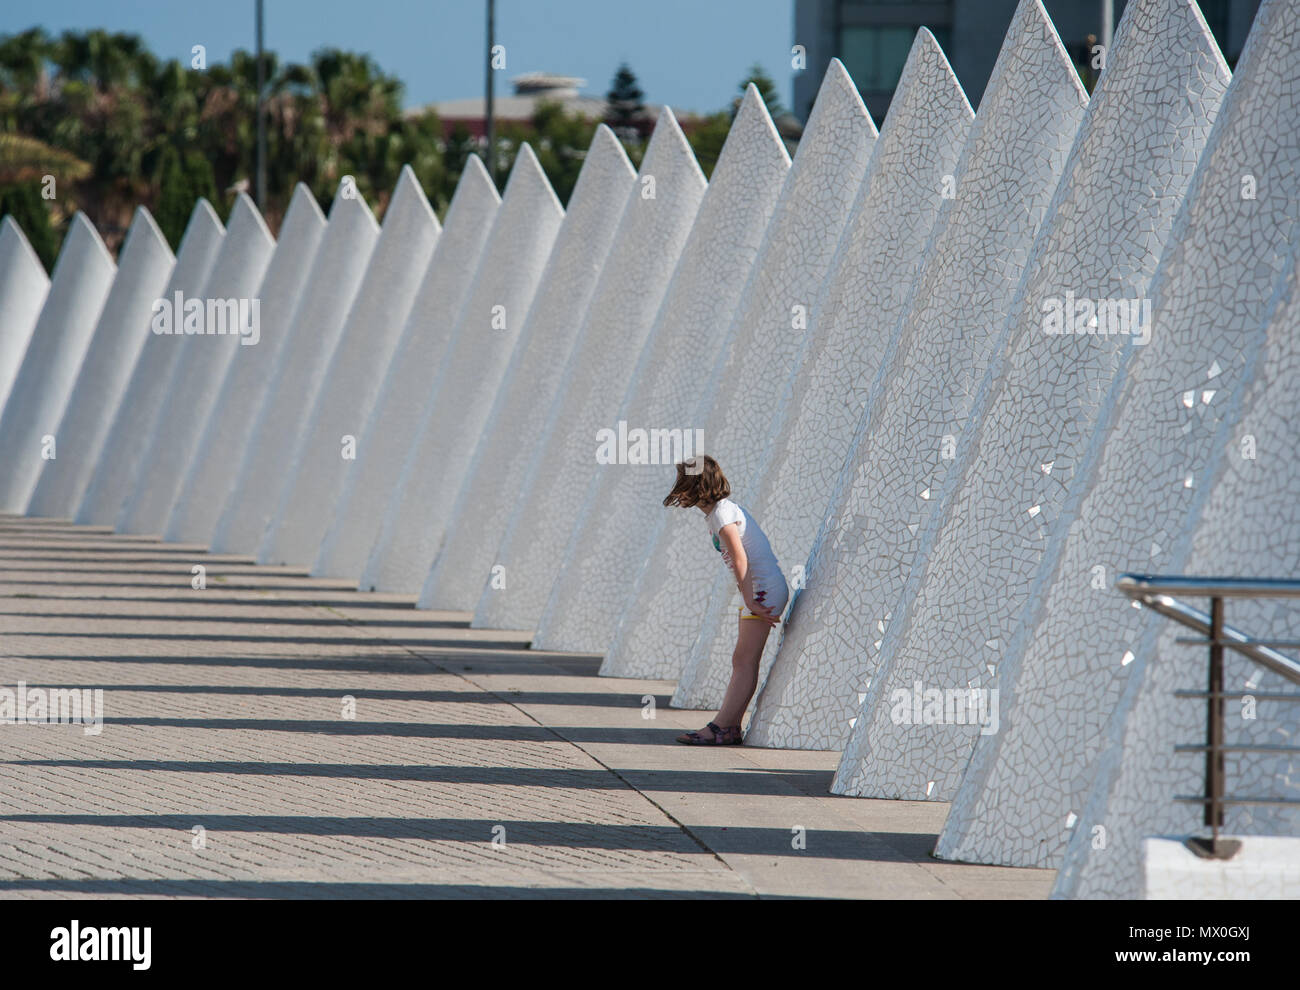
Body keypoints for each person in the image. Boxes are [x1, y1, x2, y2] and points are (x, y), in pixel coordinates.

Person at [662, 455, 788, 745]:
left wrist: (751, 600)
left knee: (744, 661)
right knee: (742, 660)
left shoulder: (722, 513)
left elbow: (740, 557)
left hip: (762, 590)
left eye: (682, 480)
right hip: (758, 590)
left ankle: (723, 728)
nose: (677, 486)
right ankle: (728, 727)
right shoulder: (719, 512)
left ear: (695, 484)